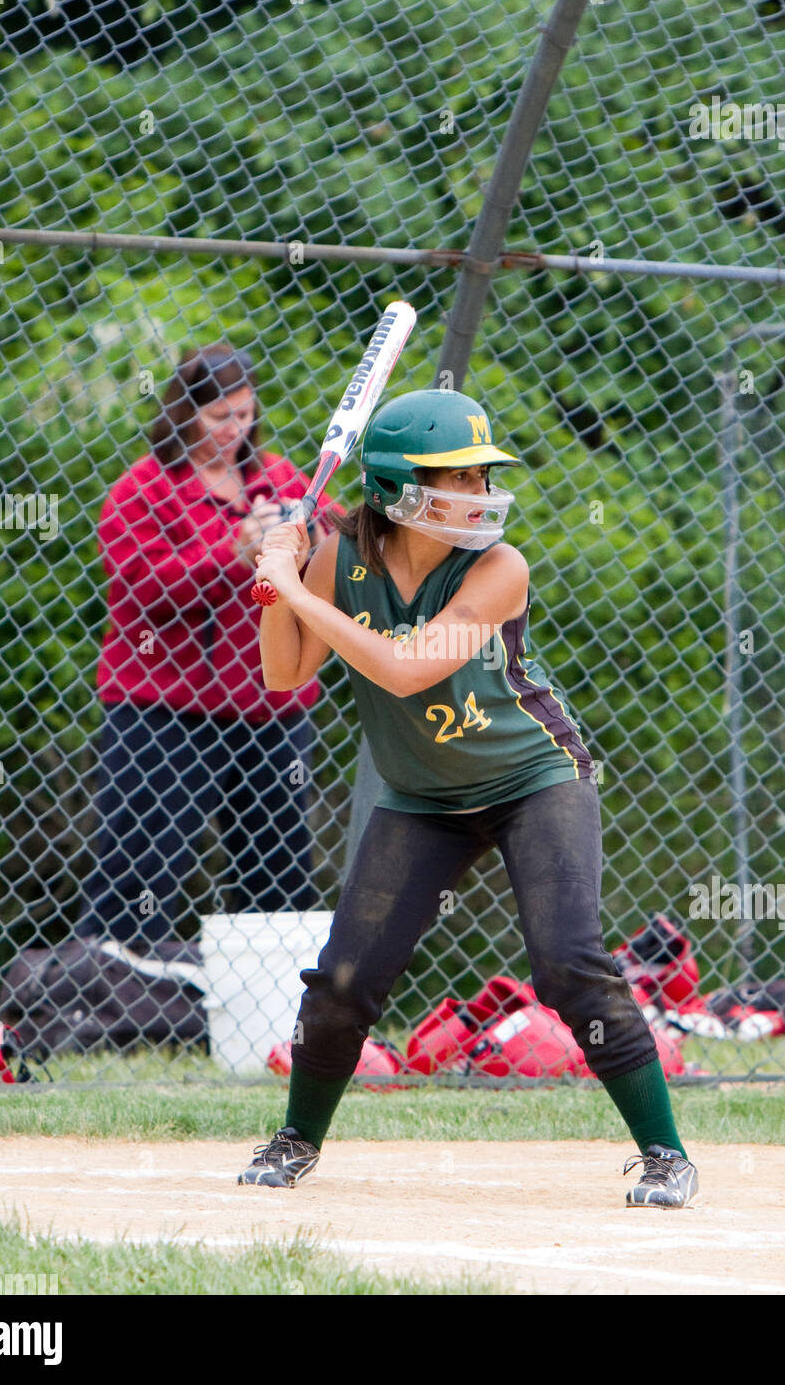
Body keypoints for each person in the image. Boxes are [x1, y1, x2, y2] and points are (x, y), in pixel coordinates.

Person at [237, 388, 698, 1208]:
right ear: (397, 489)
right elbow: (284, 673)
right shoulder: (337, 557)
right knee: (345, 978)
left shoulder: (497, 565)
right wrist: (280, 578)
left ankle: (665, 1154)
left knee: (568, 964)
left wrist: (298, 591)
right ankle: (295, 1139)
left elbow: (408, 668)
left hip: (533, 778)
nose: (481, 493)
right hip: (421, 796)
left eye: (484, 475)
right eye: (460, 477)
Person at [75, 344, 330, 950]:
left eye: (243, 415)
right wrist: (232, 554)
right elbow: (142, 586)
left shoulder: (277, 475)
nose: (233, 430)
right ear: (183, 412)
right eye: (219, 417)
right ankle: (112, 993)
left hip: (271, 708)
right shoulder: (145, 488)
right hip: (163, 708)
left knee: (278, 869)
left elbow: (335, 541)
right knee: (139, 861)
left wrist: (312, 530)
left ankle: (277, 1009)